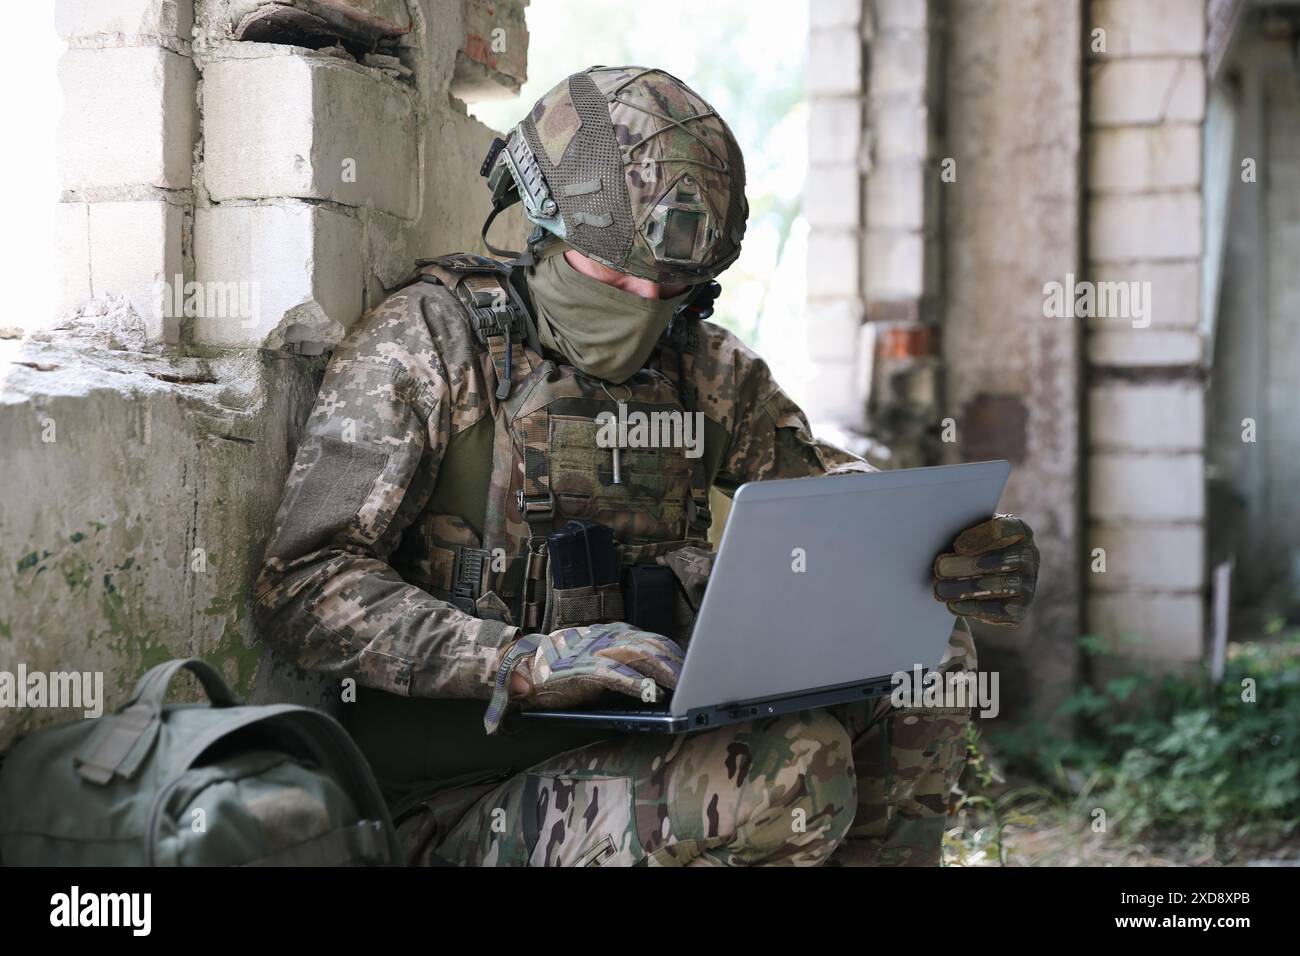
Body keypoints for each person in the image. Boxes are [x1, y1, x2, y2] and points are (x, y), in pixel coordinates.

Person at [254, 65, 1039, 866]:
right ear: (545, 223)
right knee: (792, 767)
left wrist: (948, 551)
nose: (639, 296)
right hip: (459, 795)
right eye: (612, 268)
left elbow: (831, 502)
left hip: (646, 752)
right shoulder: (433, 342)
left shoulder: (704, 369)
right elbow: (305, 582)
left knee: (930, 662)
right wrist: (513, 661)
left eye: (668, 284)